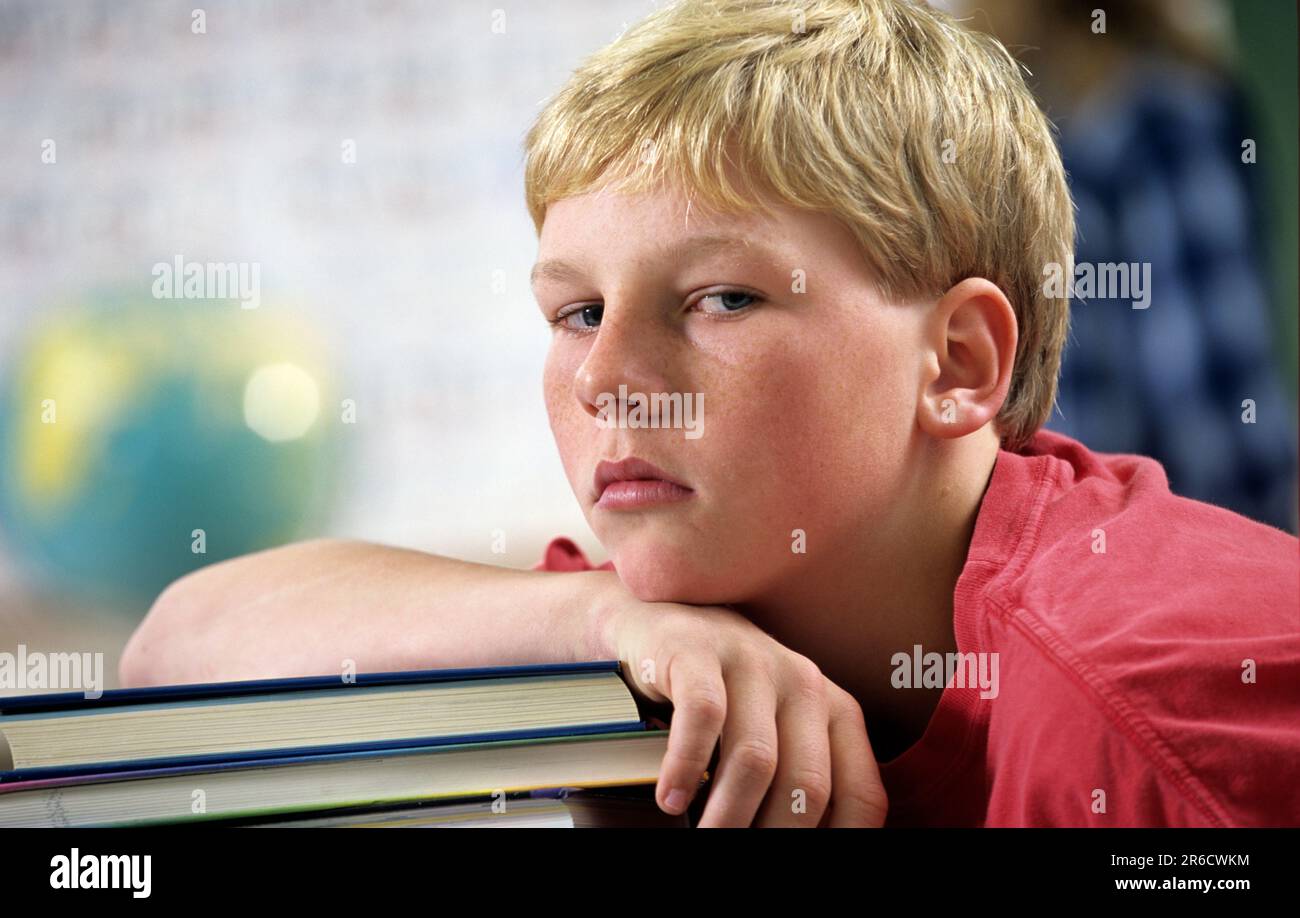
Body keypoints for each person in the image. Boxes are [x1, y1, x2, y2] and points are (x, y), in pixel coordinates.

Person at [119, 0, 1299, 827]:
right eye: (576, 311)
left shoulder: (1153, 718)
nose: (605, 378)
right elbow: (174, 652)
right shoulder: (720, 587)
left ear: (955, 362)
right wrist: (590, 617)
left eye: (720, 297)